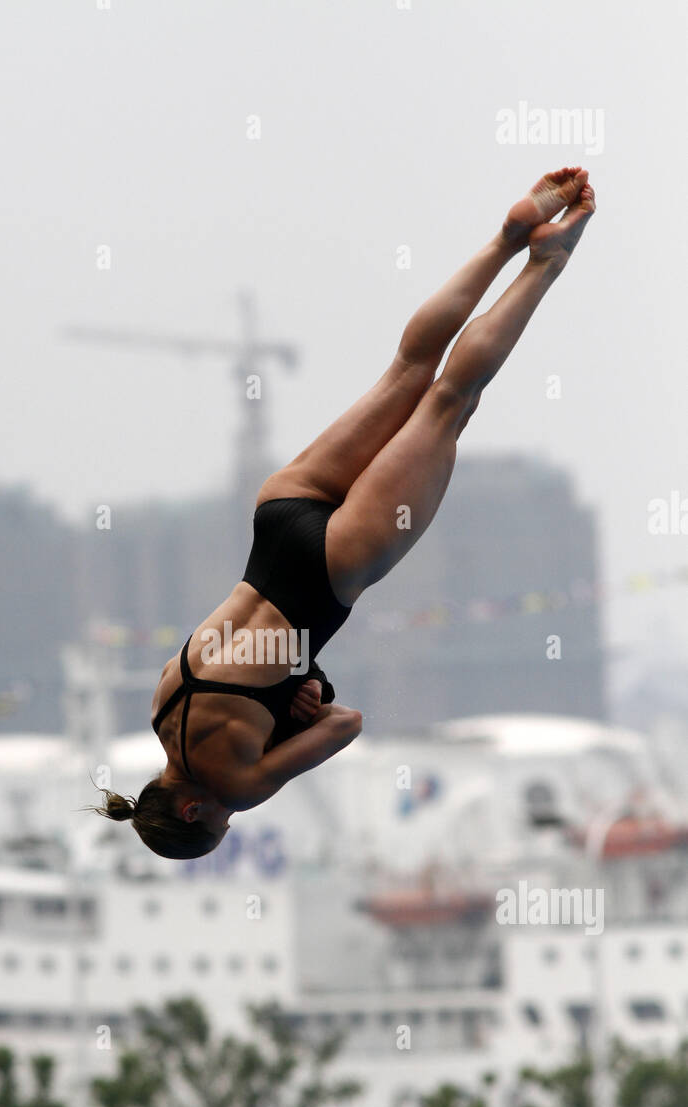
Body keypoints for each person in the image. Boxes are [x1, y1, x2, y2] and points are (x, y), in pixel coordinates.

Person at [98, 168, 596, 858]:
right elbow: (258, 661)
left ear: (191, 808)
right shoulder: (159, 706)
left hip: (329, 570)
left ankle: (545, 262)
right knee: (408, 369)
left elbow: (344, 725)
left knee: (452, 400)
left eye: (218, 826)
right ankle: (506, 238)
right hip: (277, 520)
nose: (231, 818)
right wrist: (298, 686)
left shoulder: (233, 782)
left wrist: (312, 697)